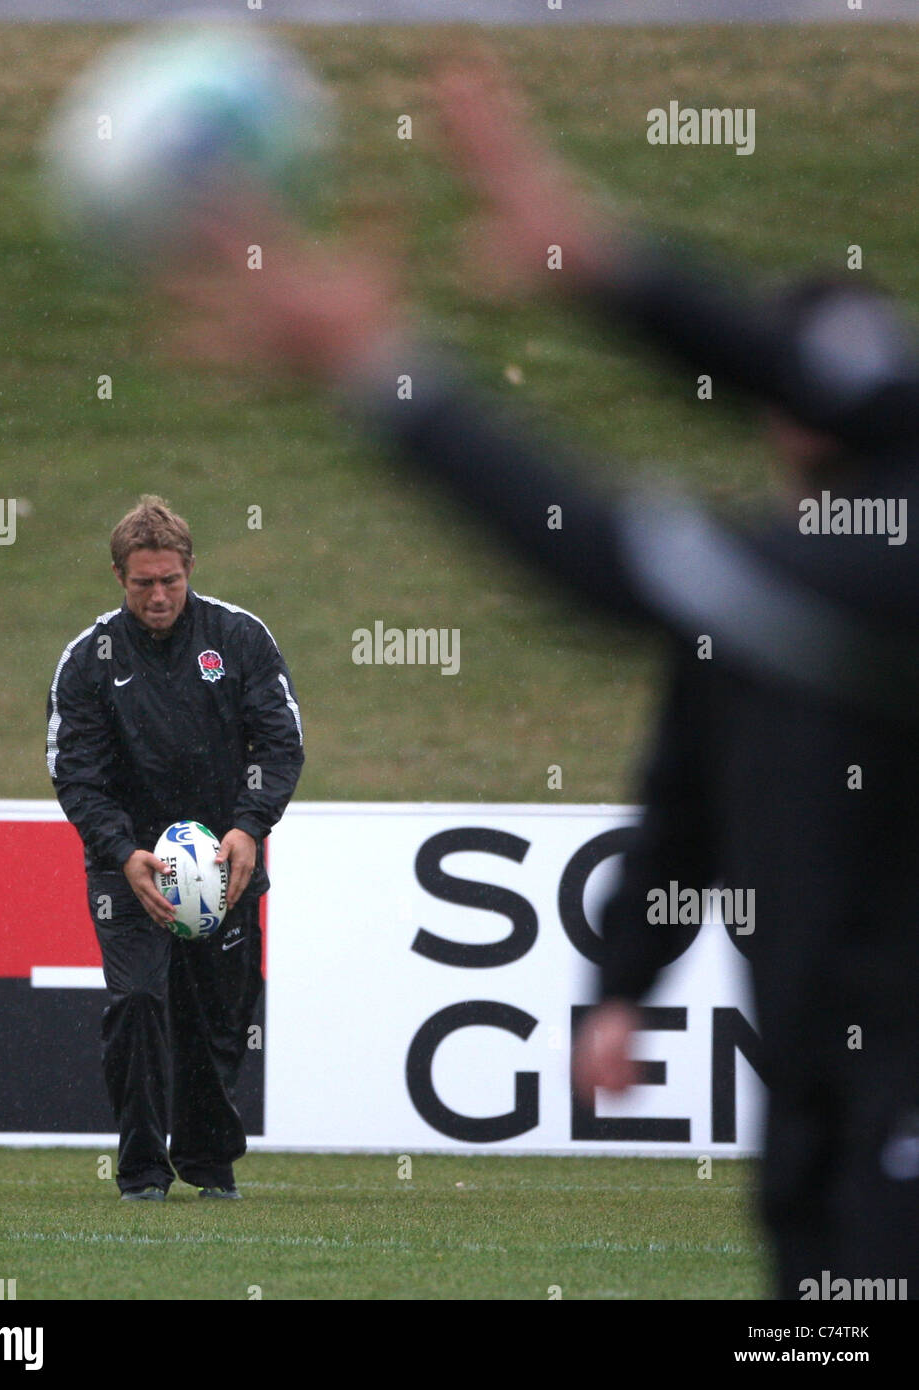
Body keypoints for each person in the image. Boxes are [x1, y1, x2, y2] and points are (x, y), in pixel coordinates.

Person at [161, 65, 919, 1291]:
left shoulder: (836, 582)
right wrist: (598, 261)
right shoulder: (772, 596)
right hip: (812, 1077)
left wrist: (379, 369)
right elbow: (683, 808)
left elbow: (604, 556)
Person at [46, 496, 304, 1201]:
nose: (157, 596)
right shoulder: (89, 660)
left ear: (190, 568)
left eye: (170, 581)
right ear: (117, 576)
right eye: (142, 583)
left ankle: (208, 1161)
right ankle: (141, 1173)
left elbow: (280, 743)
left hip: (225, 865)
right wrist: (121, 851)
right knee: (137, 1001)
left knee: (218, 1018)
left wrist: (249, 826)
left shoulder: (240, 638)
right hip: (129, 869)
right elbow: (76, 772)